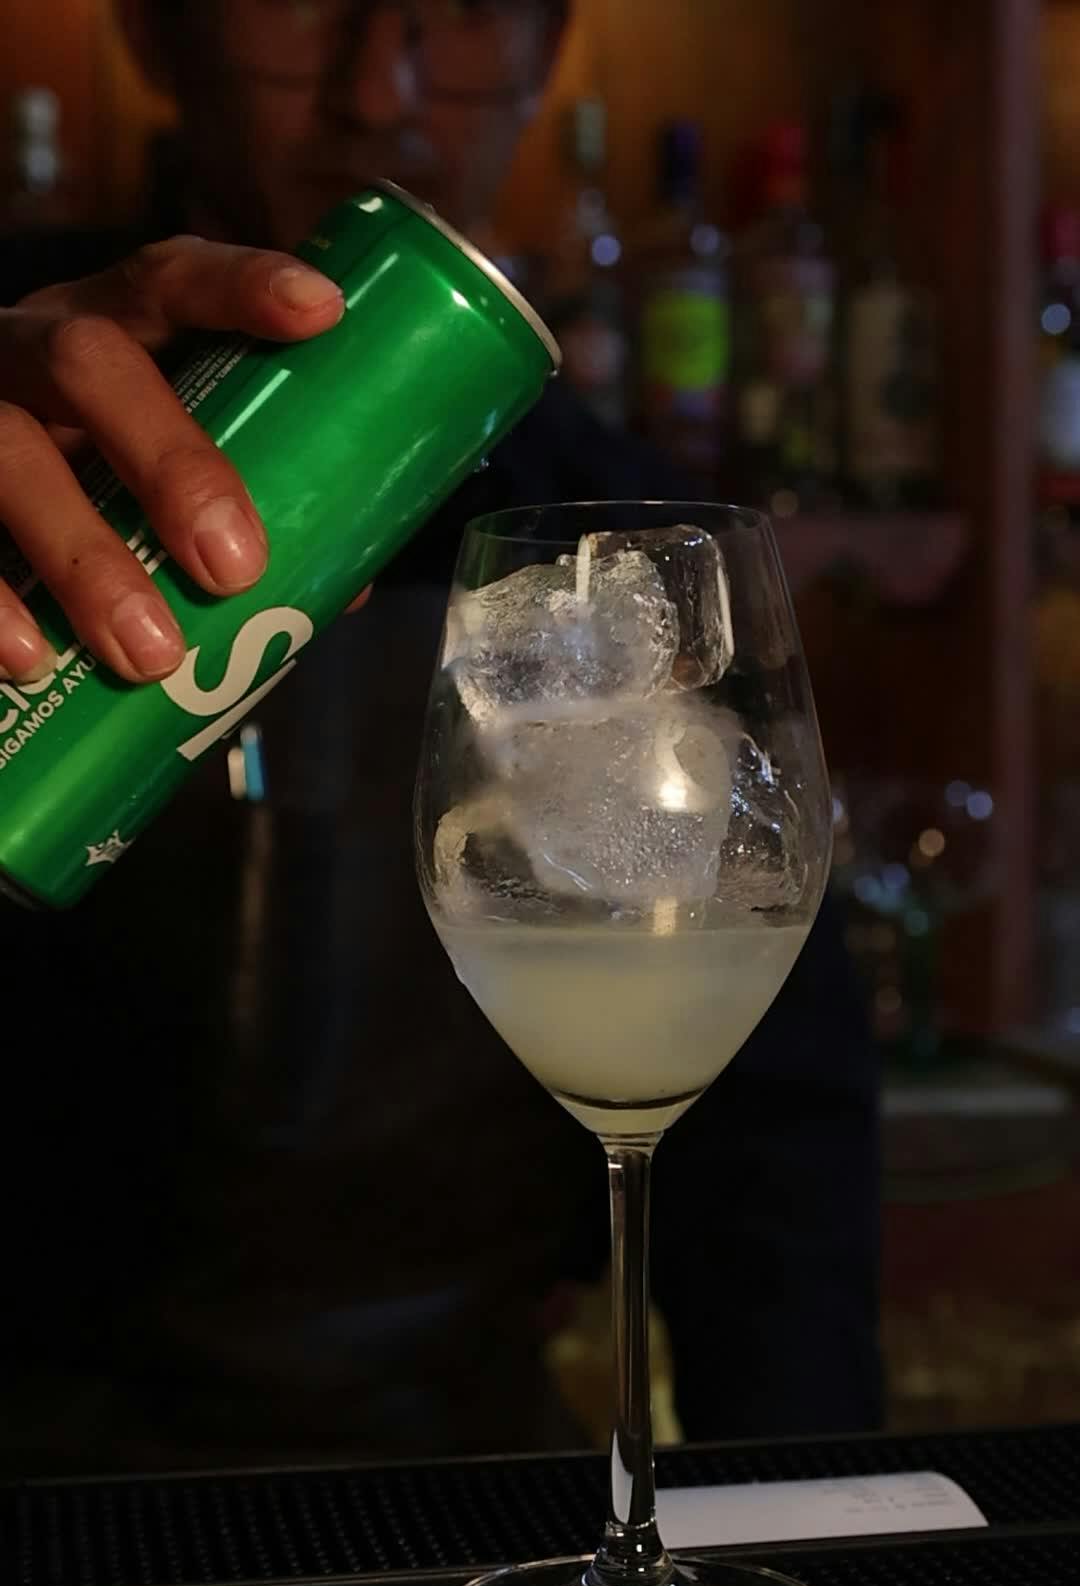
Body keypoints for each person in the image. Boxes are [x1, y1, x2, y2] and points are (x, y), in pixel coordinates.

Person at [0, 0, 882, 1471]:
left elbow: (778, 1180)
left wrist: (808, 1566)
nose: (383, 89)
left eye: (464, 12)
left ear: (549, 53)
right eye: (301, 6)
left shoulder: (634, 552)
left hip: (469, 1513)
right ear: (158, 35)